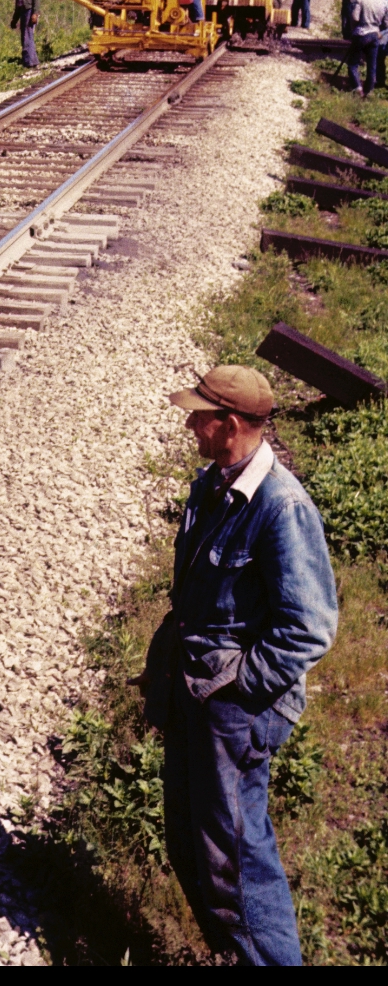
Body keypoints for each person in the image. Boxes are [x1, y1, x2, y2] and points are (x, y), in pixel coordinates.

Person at [139, 366, 337, 967]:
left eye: (199, 414)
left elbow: (309, 627)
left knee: (237, 861)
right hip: (192, 689)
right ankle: (234, 954)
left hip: (232, 707)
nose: (190, 423)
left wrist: (238, 691)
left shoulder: (280, 507)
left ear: (227, 424)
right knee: (188, 841)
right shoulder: (214, 484)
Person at [347, 0, 388, 95]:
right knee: (372, 64)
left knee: (353, 63)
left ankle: (358, 88)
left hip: (361, 32)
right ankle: (369, 90)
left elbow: (354, 17)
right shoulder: (384, 2)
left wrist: (353, 29)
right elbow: (386, 23)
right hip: (375, 35)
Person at [10, 0, 41, 68]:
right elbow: (18, 4)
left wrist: (35, 13)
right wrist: (14, 19)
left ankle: (29, 62)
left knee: (27, 35)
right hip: (23, 11)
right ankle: (31, 61)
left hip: (29, 11)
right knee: (25, 36)